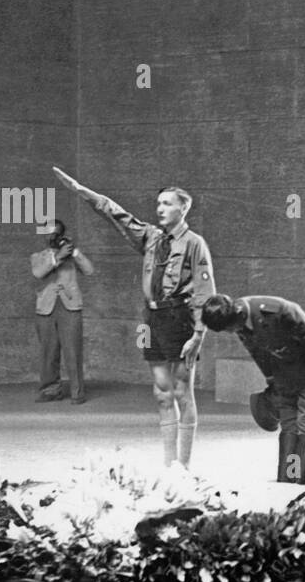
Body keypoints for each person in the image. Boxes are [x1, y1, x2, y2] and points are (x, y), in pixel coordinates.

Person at [52, 167, 215, 467]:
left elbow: (205, 292)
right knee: (162, 394)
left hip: (180, 318)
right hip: (151, 319)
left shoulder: (194, 243)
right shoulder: (151, 237)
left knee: (182, 391)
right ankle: (169, 468)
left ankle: (185, 468)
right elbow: (115, 213)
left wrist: (199, 334)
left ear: (183, 208)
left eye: (167, 204)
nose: (160, 209)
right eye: (158, 204)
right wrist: (80, 190)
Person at [201, 294, 305, 485]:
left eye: (230, 328)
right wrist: (271, 379)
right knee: (289, 423)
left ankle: (297, 484)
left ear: (238, 315)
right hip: (284, 368)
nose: (232, 332)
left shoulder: (278, 311)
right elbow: (257, 352)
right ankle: (287, 480)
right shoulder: (239, 322)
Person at [30, 219, 94, 404]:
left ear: (62, 235)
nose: (52, 236)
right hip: (46, 308)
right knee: (48, 352)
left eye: (56, 233)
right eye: (49, 233)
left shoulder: (72, 256)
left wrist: (74, 252)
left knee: (73, 351)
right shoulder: (38, 256)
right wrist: (57, 258)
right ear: (44, 235)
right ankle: (51, 390)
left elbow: (89, 270)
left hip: (70, 306)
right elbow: (38, 273)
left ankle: (77, 393)